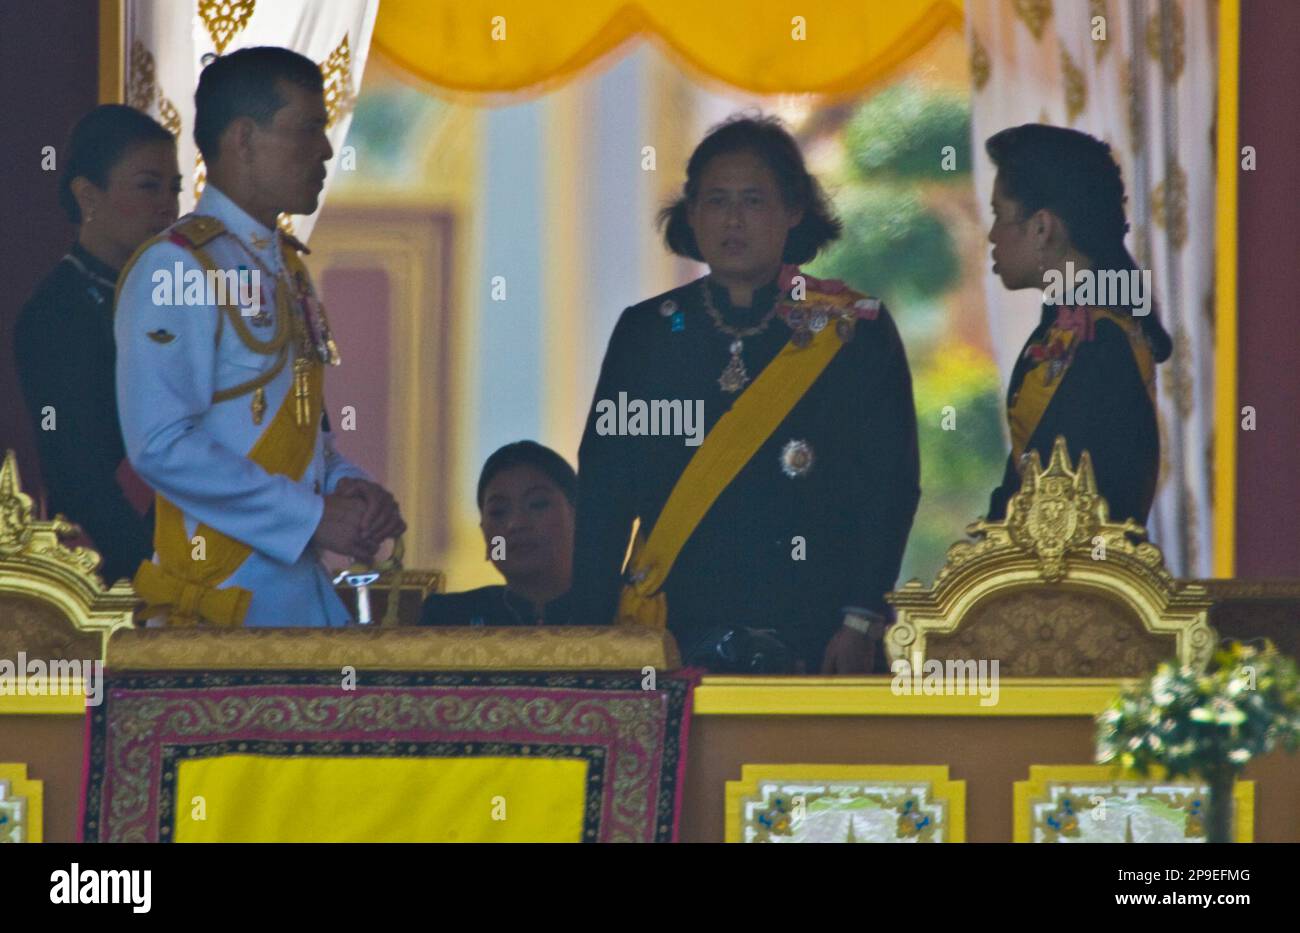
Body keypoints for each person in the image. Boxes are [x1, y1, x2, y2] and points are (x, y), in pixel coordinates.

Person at [571, 115, 920, 673]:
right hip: (670, 634)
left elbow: (888, 490)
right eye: (715, 201)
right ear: (691, 213)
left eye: (754, 201)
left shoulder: (852, 333)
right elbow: (604, 499)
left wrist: (860, 620)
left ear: (794, 211)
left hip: (816, 633)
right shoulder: (648, 333)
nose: (733, 220)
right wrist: (588, 638)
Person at [114, 47, 404, 627]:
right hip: (223, 601)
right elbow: (161, 443)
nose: (326, 149)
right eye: (309, 129)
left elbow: (294, 439)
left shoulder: (285, 267)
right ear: (244, 139)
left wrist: (353, 491)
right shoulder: (179, 267)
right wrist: (312, 517)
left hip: (297, 595)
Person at [15, 105, 180, 584]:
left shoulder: (176, 294)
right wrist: (154, 574)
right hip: (121, 572)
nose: (168, 206)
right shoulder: (56, 312)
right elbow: (80, 476)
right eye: (148, 185)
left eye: (175, 188)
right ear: (88, 196)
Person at [984, 124, 1172, 526]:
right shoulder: (1081, 328)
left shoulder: (1099, 339)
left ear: (1041, 227)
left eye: (999, 215)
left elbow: (1075, 509)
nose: (992, 235)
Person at [420, 441, 575, 627]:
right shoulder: (447, 619)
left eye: (537, 504)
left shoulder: (616, 613)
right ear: (486, 538)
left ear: (578, 517)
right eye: (498, 512)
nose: (515, 524)